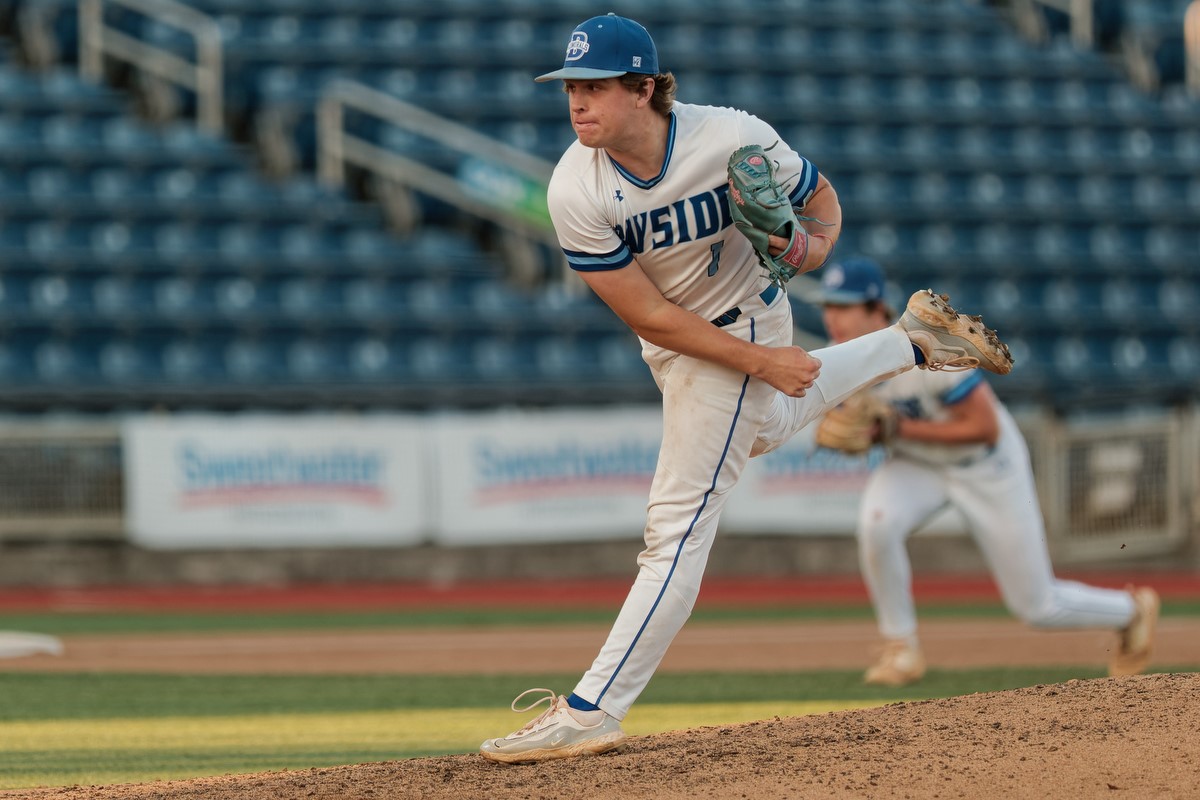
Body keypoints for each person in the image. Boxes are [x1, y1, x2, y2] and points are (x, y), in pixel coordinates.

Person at [479, 14, 1012, 764]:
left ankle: (593, 706)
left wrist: (807, 248)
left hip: (745, 319)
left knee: (676, 527)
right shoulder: (576, 187)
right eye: (570, 87)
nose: (576, 102)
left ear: (643, 88)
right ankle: (912, 341)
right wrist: (765, 366)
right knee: (758, 432)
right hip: (683, 343)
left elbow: (822, 200)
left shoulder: (729, 136)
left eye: (593, 86)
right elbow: (650, 315)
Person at [815, 255, 1160, 687]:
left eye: (845, 306)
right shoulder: (846, 361)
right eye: (829, 305)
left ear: (876, 309)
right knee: (877, 524)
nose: (834, 317)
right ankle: (901, 647)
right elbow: (861, 425)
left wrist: (897, 427)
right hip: (918, 465)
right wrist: (869, 432)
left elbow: (983, 428)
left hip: (987, 466)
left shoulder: (921, 346)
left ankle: (1132, 611)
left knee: (1038, 606)